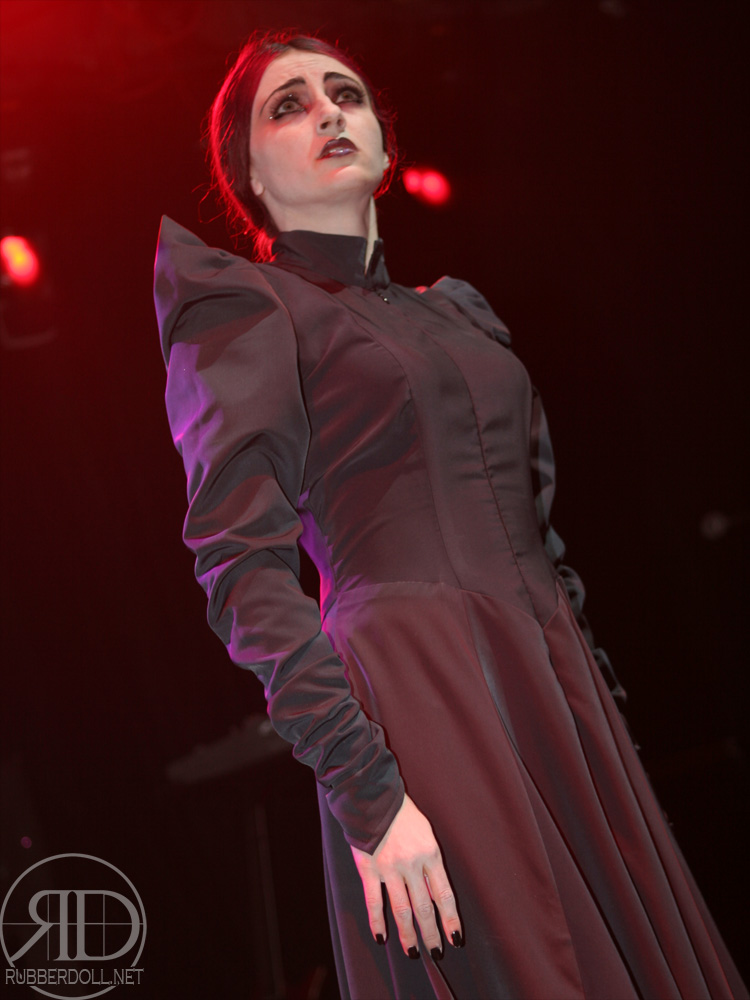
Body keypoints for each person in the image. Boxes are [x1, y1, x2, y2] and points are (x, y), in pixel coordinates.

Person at [153, 29, 748, 1000]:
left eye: (346, 94)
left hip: (554, 689)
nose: (328, 111)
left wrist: (610, 745)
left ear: (386, 142)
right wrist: (369, 792)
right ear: (248, 176)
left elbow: (544, 545)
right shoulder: (251, 310)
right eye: (288, 105)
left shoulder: (458, 314)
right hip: (416, 705)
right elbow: (240, 571)